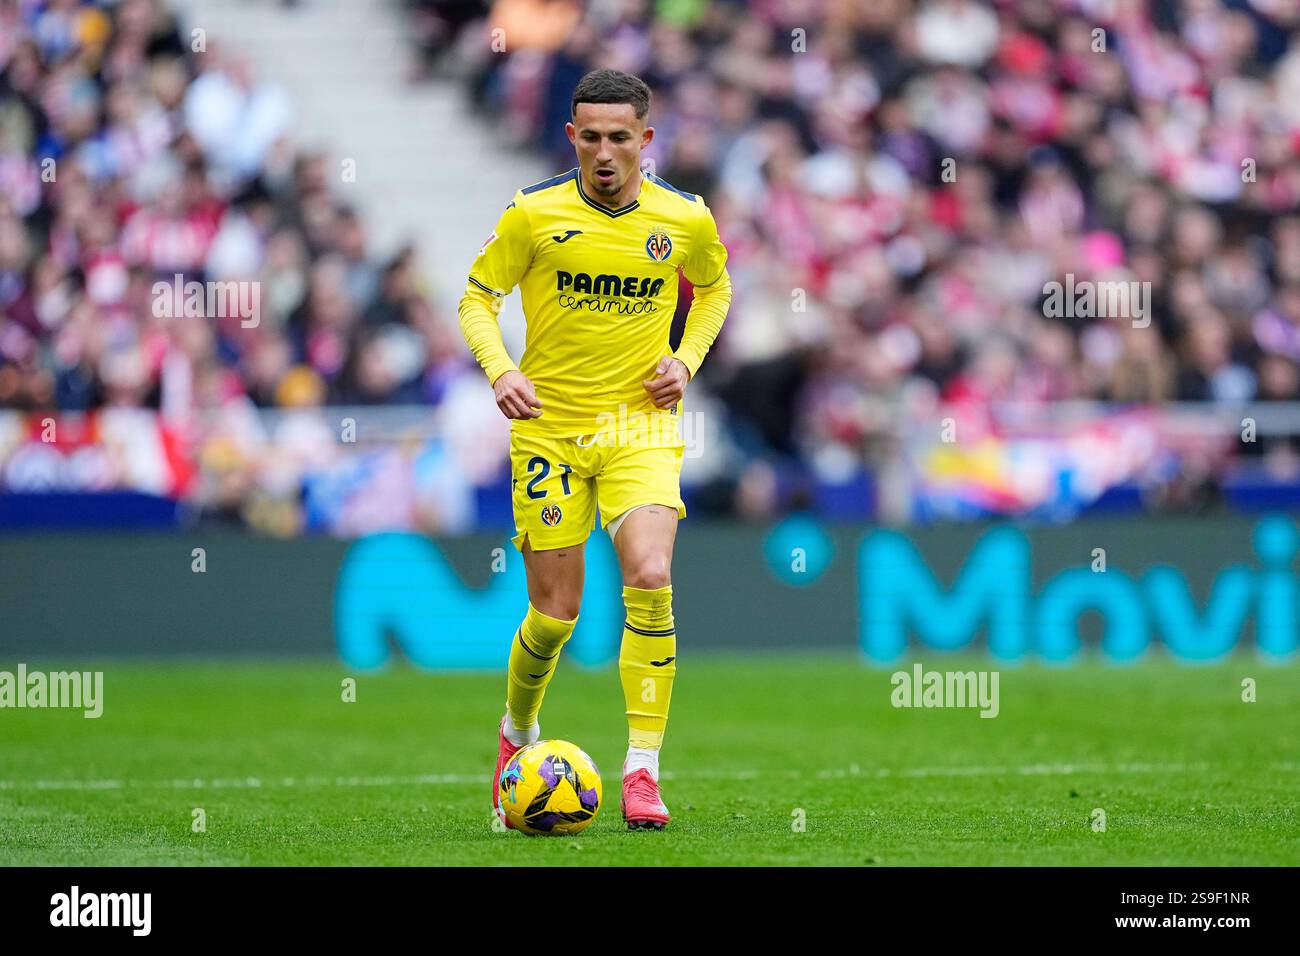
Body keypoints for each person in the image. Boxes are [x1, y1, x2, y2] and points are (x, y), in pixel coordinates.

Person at [457, 68, 732, 830]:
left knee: (649, 571)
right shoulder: (534, 214)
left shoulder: (684, 220)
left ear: (646, 140)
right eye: (591, 136)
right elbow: (477, 296)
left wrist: (686, 359)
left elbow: (714, 288)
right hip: (549, 428)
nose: (605, 152)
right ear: (571, 136)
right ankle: (517, 736)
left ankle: (641, 770)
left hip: (639, 426)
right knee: (556, 614)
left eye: (621, 137)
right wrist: (501, 369)